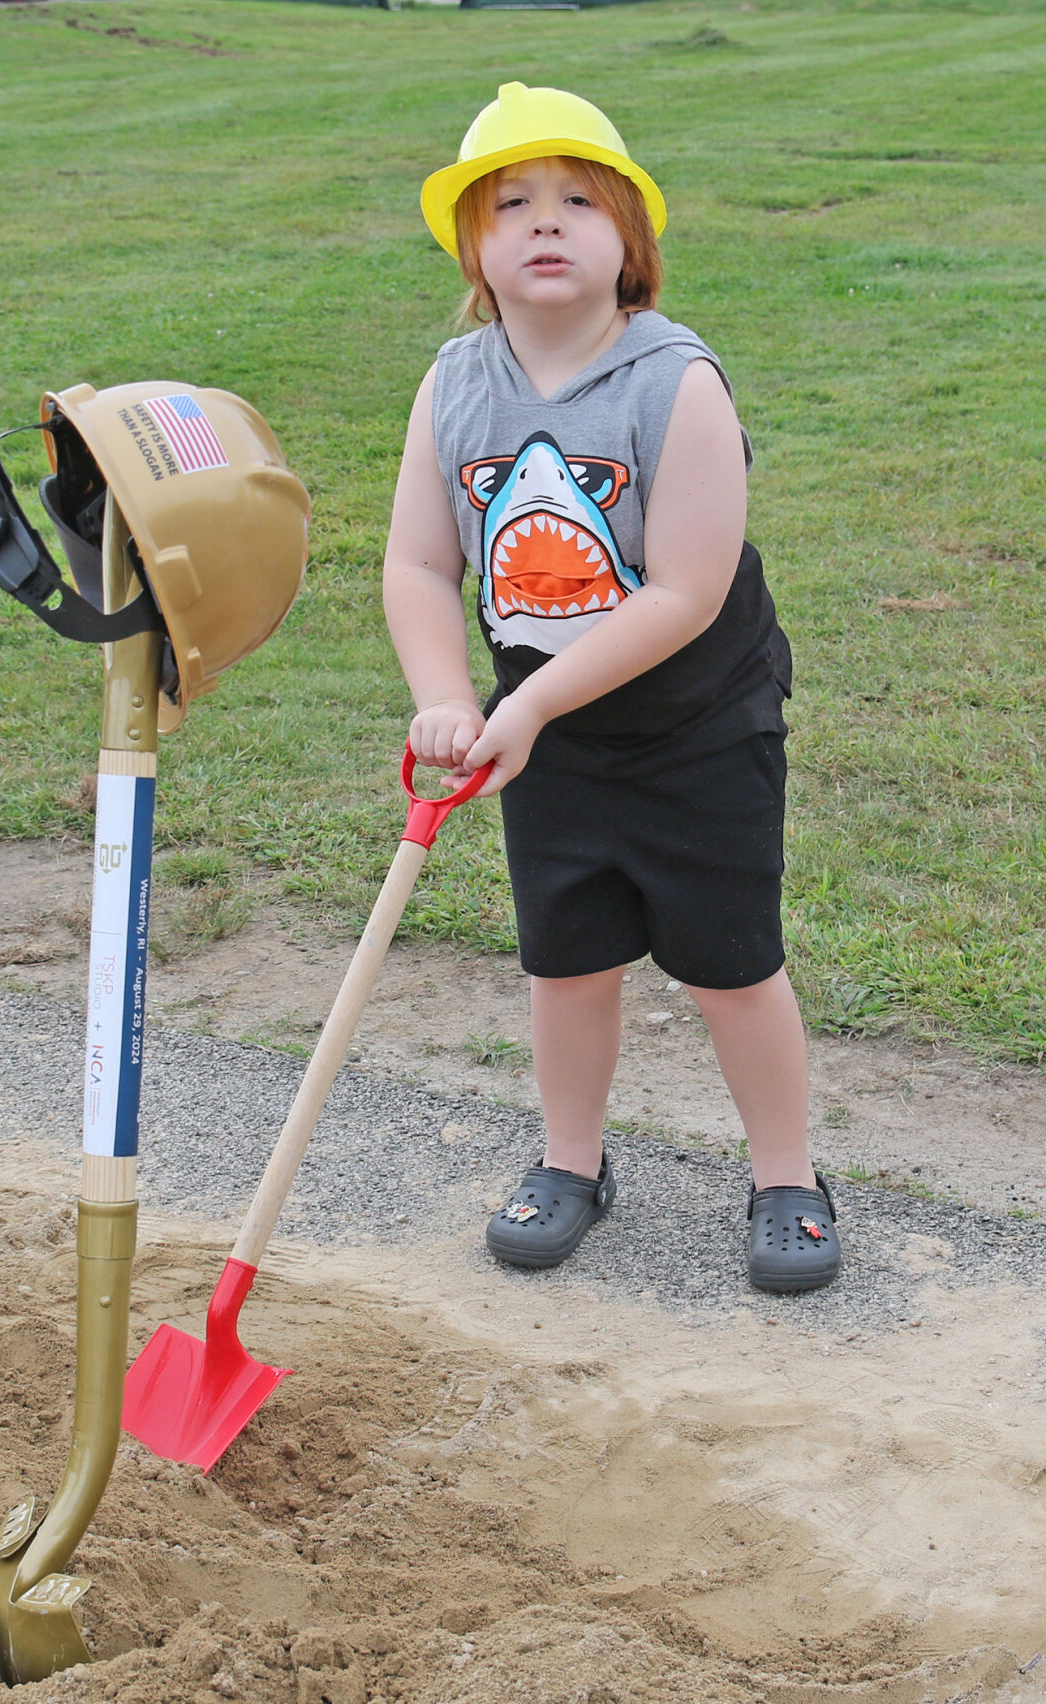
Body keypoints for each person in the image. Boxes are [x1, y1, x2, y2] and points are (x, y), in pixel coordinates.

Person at [382, 82, 840, 1293]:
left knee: (728, 962)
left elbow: (682, 591)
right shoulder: (453, 383)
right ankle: (568, 1164)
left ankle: (786, 1174)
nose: (545, 223)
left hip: (697, 718)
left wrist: (521, 708)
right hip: (546, 730)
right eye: (512, 204)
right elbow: (421, 562)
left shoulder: (673, 380)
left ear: (628, 240)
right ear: (472, 245)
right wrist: (448, 694)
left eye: (578, 201)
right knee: (566, 960)